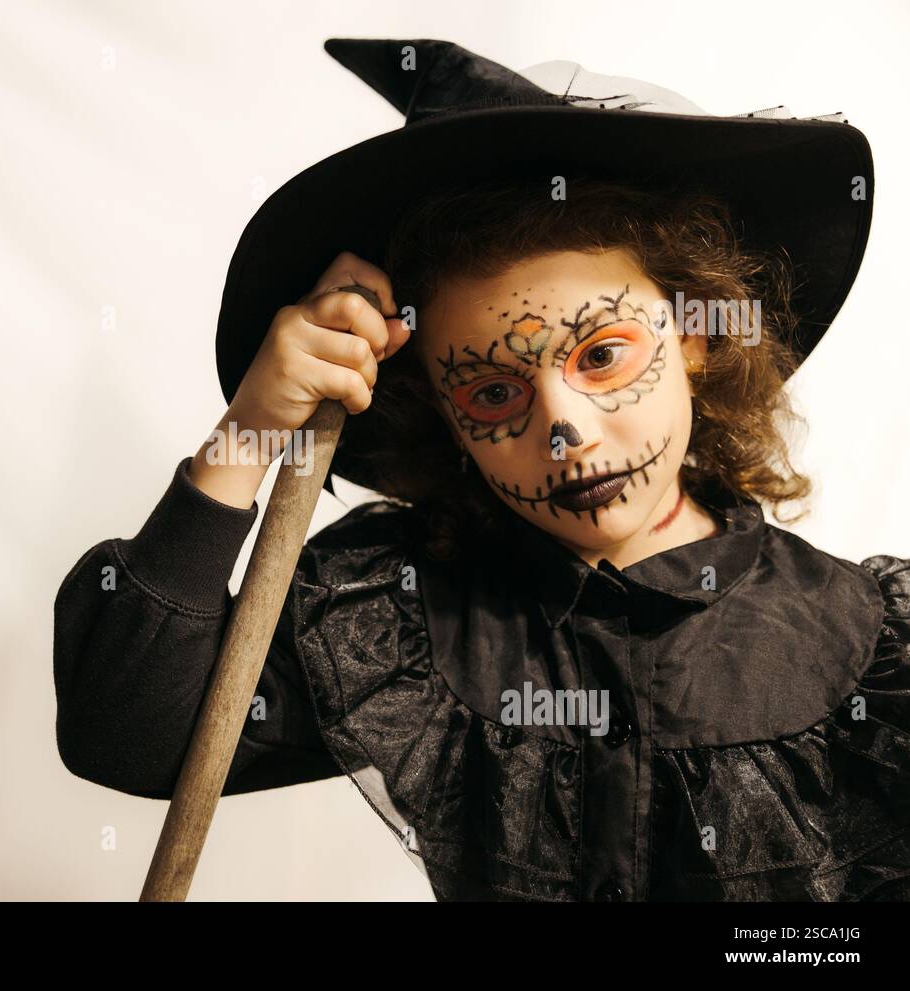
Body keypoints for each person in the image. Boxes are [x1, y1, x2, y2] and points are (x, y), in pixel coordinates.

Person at [52, 40, 910, 901]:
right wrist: (249, 432)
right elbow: (127, 732)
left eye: (603, 354)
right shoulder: (398, 620)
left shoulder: (873, 655)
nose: (564, 431)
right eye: (496, 392)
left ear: (693, 334)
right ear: (446, 419)